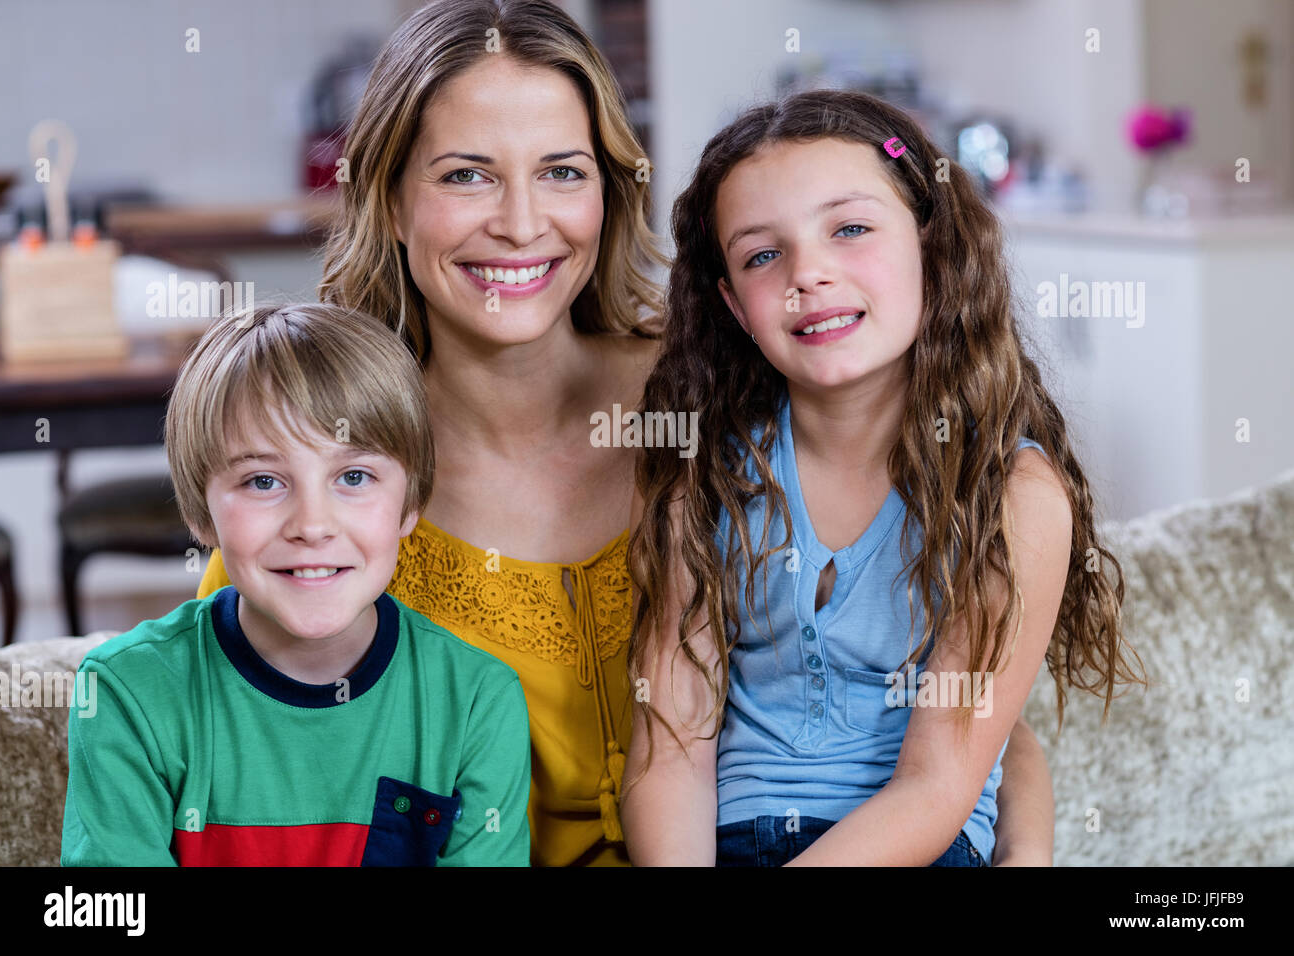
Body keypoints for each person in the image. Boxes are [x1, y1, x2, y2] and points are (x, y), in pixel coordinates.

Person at [197, 0, 1056, 866]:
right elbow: (240, 775)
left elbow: (934, 699)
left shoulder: (721, 398)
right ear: (387, 200)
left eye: (563, 172)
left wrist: (1021, 844)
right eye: (466, 176)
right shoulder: (322, 481)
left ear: (610, 195)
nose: (522, 222)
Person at [623, 89, 1146, 866]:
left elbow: (939, 786)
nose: (809, 274)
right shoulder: (707, 479)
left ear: (930, 247)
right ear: (735, 305)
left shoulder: (1014, 496)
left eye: (852, 228)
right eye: (763, 255)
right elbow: (671, 753)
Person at [62, 304, 531, 866]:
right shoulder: (126, 694)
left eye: (353, 477)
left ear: (411, 504)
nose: (312, 525)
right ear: (201, 514)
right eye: (263, 481)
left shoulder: (478, 701)